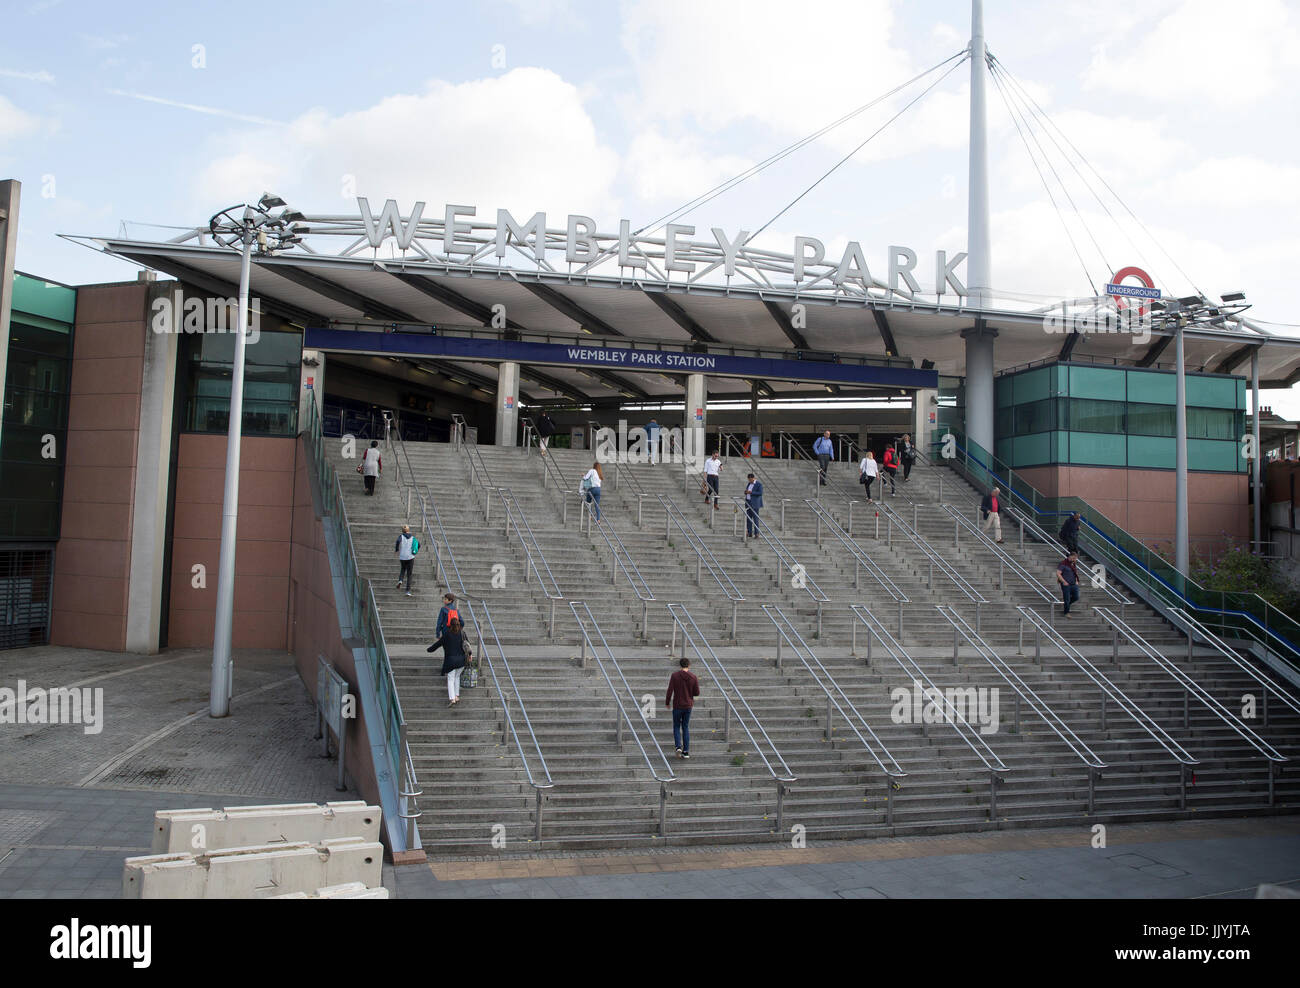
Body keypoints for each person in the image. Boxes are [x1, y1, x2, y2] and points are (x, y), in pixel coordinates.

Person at [427, 617, 469, 705]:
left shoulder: (447, 634)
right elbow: (467, 645)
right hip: (462, 660)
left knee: (450, 679)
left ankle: (452, 698)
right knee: (457, 677)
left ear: (450, 625)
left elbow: (437, 645)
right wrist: (470, 654)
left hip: (451, 661)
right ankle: (456, 696)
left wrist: (429, 650)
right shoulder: (462, 633)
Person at [665, 657, 700, 759]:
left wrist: (667, 702)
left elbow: (670, 690)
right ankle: (686, 751)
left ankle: (678, 746)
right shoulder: (693, 677)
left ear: (680, 665)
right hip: (688, 705)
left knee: (676, 726)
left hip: (677, 705)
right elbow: (697, 692)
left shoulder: (675, 676)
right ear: (689, 665)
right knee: (685, 727)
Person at [394, 524, 419, 596]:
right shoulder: (413, 538)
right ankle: (407, 591)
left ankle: (400, 580)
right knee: (409, 574)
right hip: (410, 557)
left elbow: (397, 542)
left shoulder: (401, 537)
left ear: (402, 531)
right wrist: (415, 551)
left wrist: (396, 550)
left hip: (402, 556)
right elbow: (418, 544)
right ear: (409, 530)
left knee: (402, 569)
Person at [1056, 551, 1080, 619]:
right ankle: (1066, 612)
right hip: (1066, 584)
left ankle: (1066, 605)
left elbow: (1074, 573)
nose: (1074, 560)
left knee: (1076, 597)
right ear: (1069, 557)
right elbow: (1058, 573)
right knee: (1067, 599)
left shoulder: (1073, 564)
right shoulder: (1063, 563)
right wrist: (1063, 581)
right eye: (1073, 558)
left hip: (1073, 584)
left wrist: (1076, 581)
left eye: (1075, 558)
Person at [744, 472, 764, 538]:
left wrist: (751, 492)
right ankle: (749, 532)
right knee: (748, 518)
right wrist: (746, 492)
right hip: (748, 503)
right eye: (749, 480)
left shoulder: (758, 484)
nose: (749, 481)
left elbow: (760, 493)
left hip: (755, 504)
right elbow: (747, 491)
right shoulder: (749, 484)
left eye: (750, 480)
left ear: (753, 478)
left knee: (755, 519)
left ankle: (756, 533)